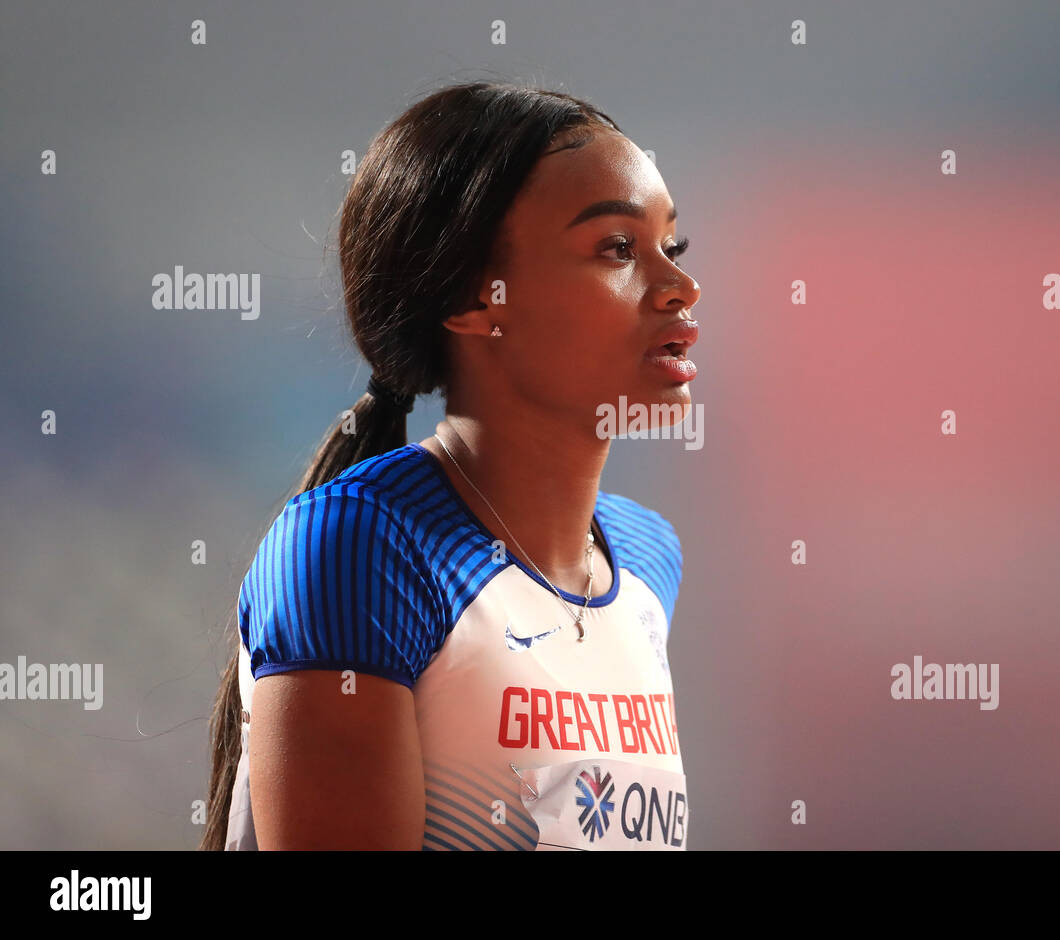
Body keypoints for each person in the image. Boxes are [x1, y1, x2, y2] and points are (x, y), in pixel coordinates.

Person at [199, 80, 701, 850]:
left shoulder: (646, 558)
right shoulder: (360, 547)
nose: (679, 287)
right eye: (618, 249)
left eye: (673, 247)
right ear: (474, 298)